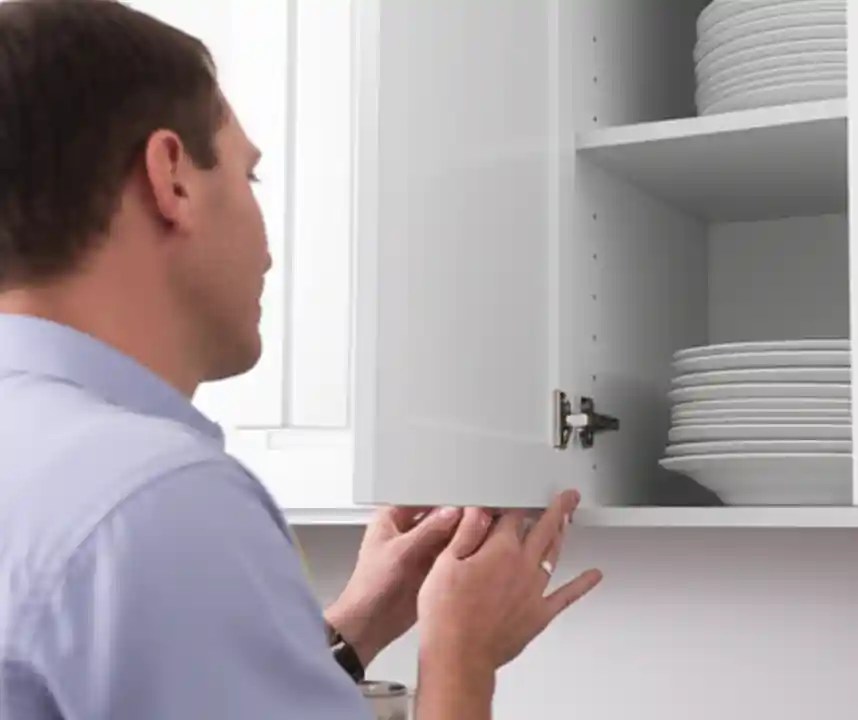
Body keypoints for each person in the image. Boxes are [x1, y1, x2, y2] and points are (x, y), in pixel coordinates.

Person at [0, 1, 604, 718]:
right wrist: (462, 658)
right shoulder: (157, 497)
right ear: (172, 177)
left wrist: (359, 623)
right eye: (249, 177)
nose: (268, 248)